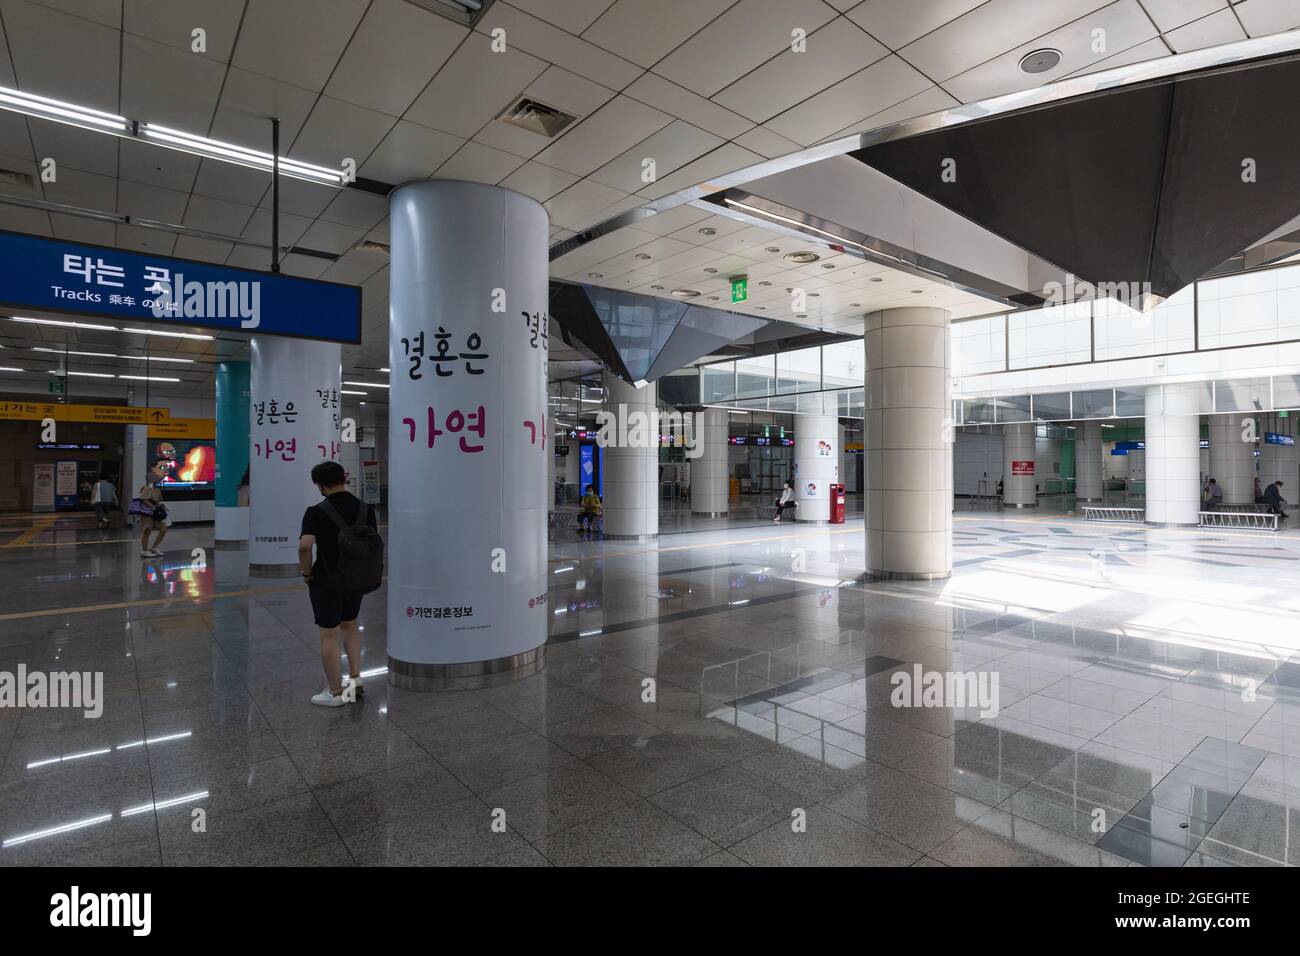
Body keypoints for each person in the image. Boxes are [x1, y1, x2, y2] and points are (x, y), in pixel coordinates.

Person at [299, 461, 378, 707]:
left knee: (328, 633)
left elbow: (305, 546)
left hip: (327, 579)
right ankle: (355, 679)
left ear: (320, 485)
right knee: (351, 625)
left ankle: (334, 692)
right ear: (344, 479)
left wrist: (306, 571)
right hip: (357, 578)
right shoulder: (366, 508)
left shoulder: (316, 511)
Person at [137, 470, 168, 557]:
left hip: (155, 513)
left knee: (163, 528)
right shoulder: (146, 488)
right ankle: (144, 550)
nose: (160, 480)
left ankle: (154, 547)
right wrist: (153, 507)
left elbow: (158, 501)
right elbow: (144, 500)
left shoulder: (157, 489)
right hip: (146, 513)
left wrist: (160, 505)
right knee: (147, 531)